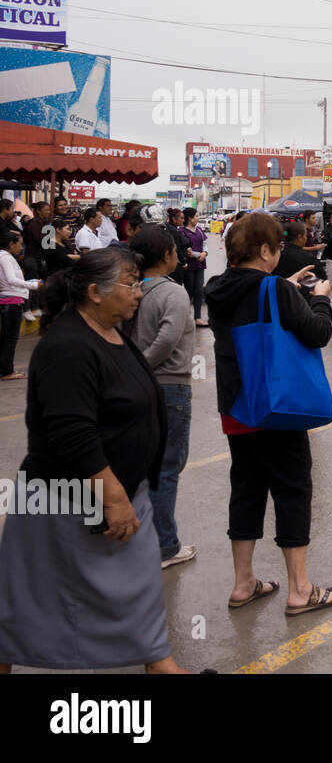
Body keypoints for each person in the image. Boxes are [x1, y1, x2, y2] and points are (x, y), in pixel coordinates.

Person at [0, 249, 196, 673]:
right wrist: (113, 497)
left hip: (117, 492)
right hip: (68, 499)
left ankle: (162, 666)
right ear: (94, 292)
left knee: (138, 598)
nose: (139, 293)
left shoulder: (109, 331)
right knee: (26, 608)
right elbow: (72, 432)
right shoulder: (67, 346)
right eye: (130, 283)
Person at [204, 212, 332, 617]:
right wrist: (319, 298)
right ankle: (301, 589)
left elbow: (250, 300)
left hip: (236, 405)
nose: (278, 254)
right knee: (292, 488)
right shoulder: (275, 290)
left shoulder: (216, 288)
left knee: (246, 488)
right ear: (264, 250)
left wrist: (283, 286)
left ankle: (243, 582)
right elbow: (318, 333)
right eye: (277, 248)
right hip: (276, 406)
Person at [126, 224, 197, 568]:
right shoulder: (174, 293)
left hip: (139, 388)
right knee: (167, 468)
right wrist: (144, 364)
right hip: (169, 386)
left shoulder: (134, 289)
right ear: (167, 255)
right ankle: (165, 546)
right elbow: (168, 339)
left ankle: (143, 538)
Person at [0, 232, 40, 380]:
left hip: (10, 300)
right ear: (11, 244)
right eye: (20, 244)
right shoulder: (5, 258)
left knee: (6, 337)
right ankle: (7, 371)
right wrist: (33, 285)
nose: (21, 247)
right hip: (12, 300)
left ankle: (5, 368)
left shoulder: (5, 257)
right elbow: (11, 279)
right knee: (10, 337)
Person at [180, 207, 209, 327]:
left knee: (199, 290)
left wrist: (205, 253)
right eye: (196, 216)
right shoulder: (181, 232)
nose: (198, 218)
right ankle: (185, 318)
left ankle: (197, 317)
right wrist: (199, 254)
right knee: (189, 291)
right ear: (190, 218)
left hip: (200, 264)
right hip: (189, 265)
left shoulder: (200, 230)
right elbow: (188, 252)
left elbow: (205, 244)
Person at [166, 209, 190, 287]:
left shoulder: (173, 229)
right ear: (173, 218)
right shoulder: (173, 230)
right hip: (176, 265)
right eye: (181, 218)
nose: (183, 220)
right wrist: (183, 262)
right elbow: (176, 248)